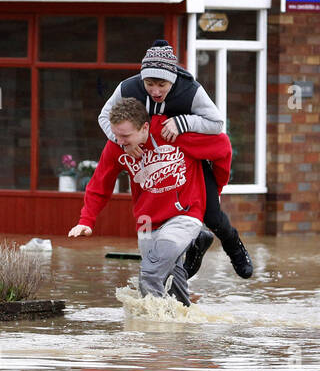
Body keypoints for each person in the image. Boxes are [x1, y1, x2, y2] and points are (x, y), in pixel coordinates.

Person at [96, 39, 254, 279]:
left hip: (191, 156)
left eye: (162, 84)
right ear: (142, 79)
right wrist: (121, 143)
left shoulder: (191, 90)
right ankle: (192, 250)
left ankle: (234, 247)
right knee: (157, 221)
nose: (156, 91)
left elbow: (217, 124)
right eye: (149, 84)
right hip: (150, 158)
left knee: (212, 215)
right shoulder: (127, 88)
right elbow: (104, 117)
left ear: (173, 79)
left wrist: (184, 123)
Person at [70, 96, 232, 306]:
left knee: (150, 274)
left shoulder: (171, 133)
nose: (119, 141)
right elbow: (99, 184)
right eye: (116, 135)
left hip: (183, 214)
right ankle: (186, 326)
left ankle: (153, 334)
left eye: (125, 136)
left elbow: (223, 147)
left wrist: (214, 191)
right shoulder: (116, 147)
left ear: (145, 127)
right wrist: (86, 220)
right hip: (147, 221)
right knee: (171, 283)